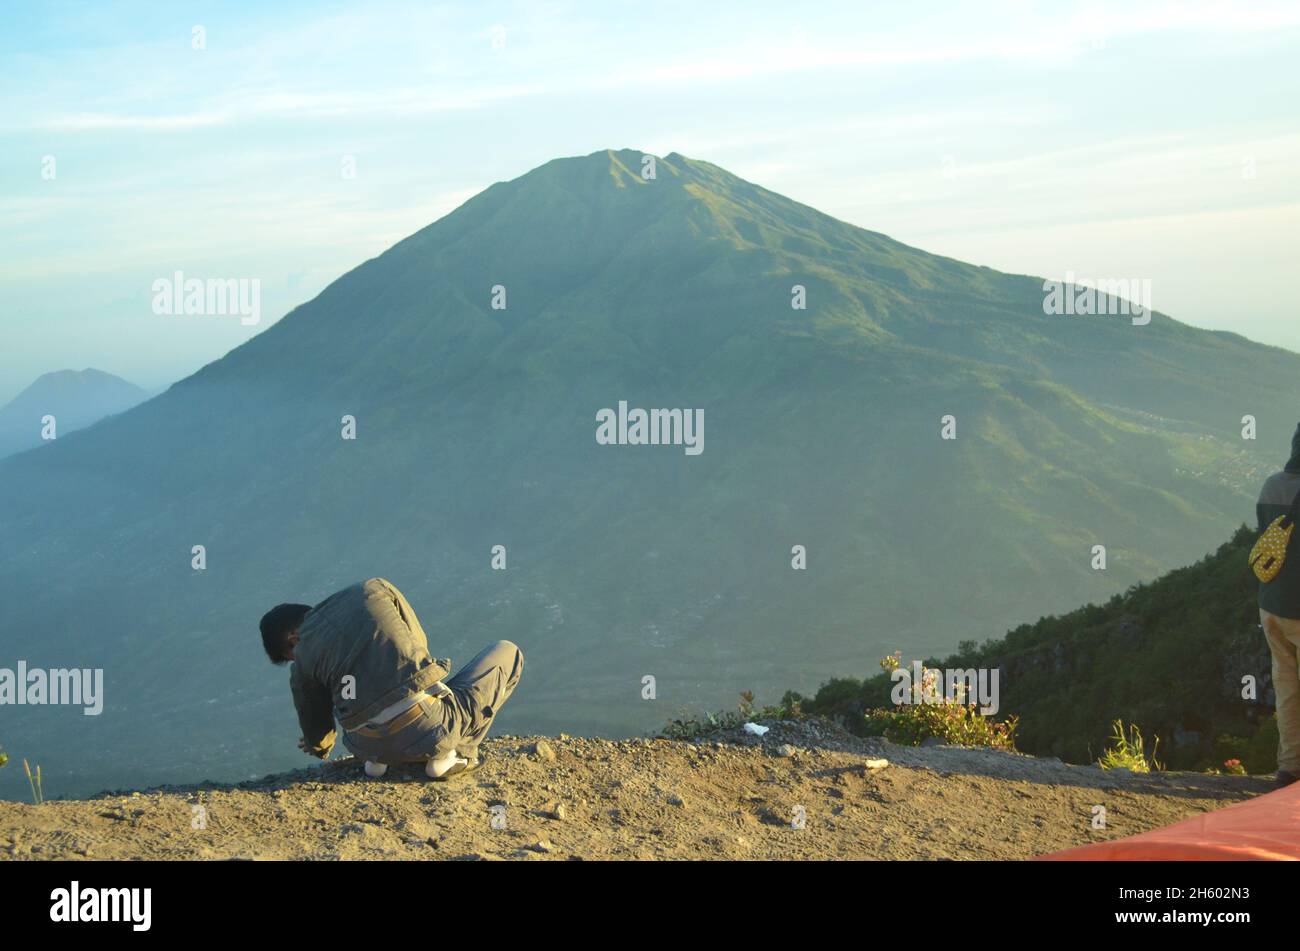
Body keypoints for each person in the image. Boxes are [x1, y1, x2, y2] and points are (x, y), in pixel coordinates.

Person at [259, 578, 523, 780]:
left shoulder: (304, 656)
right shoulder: (370, 590)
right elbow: (414, 644)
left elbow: (314, 718)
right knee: (507, 651)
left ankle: (380, 761)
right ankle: (452, 755)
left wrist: (318, 746)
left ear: (293, 638)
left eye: (290, 656)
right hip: (425, 723)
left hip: (364, 745)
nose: (296, 659)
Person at [1257, 423, 1300, 788]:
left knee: (1286, 687)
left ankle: (1289, 768)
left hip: (1272, 602)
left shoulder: (1271, 485)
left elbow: (1265, 537)